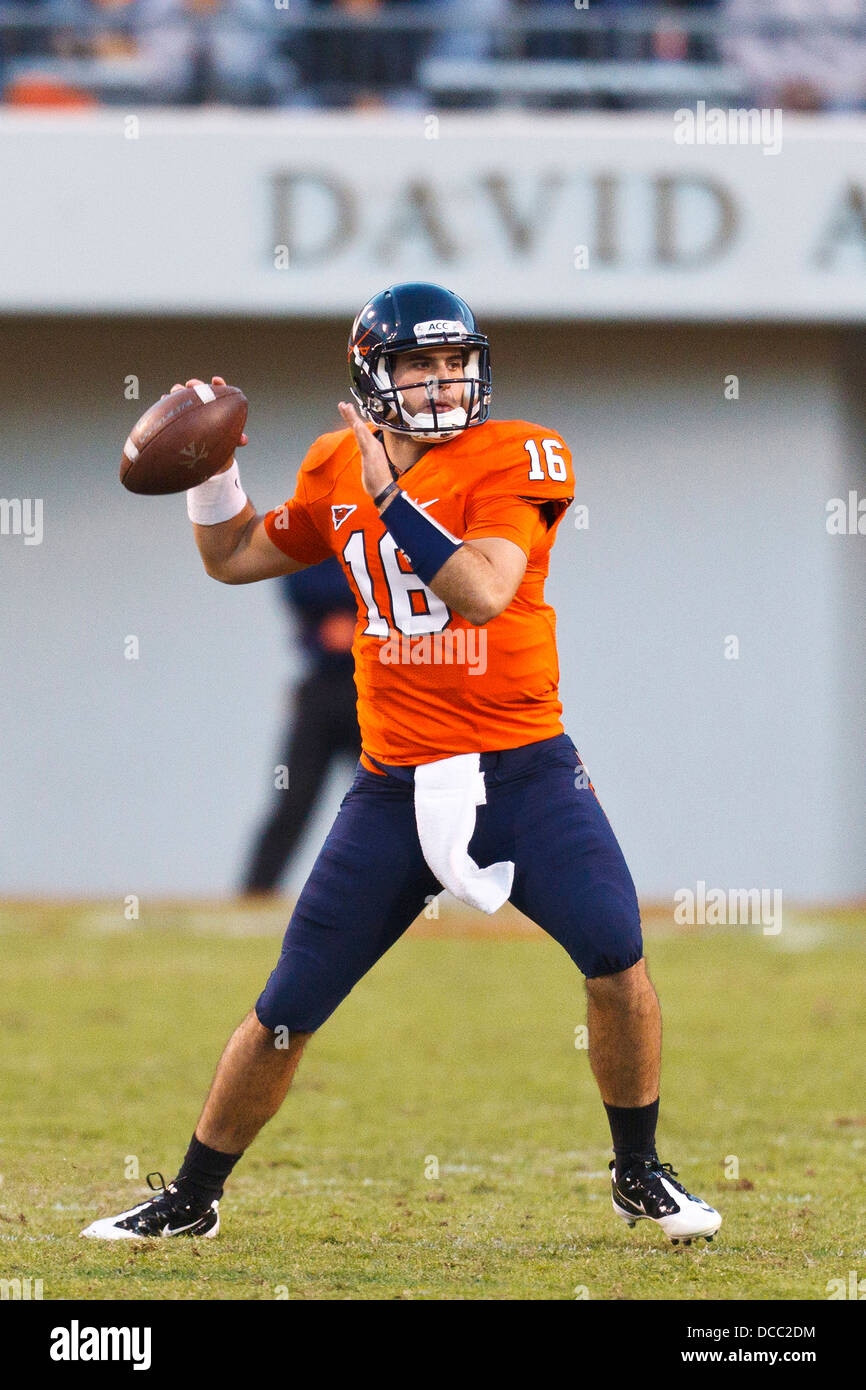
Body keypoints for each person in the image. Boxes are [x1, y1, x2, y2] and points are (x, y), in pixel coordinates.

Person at [82, 282, 722, 1247]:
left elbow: (482, 592)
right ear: (372, 378)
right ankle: (193, 1196)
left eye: (455, 362)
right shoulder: (334, 461)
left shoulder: (518, 453)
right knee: (288, 1006)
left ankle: (640, 1171)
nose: (442, 381)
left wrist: (390, 495)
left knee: (616, 955)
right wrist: (212, 472)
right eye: (419, 364)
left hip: (524, 772)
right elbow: (236, 555)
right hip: (393, 785)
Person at [240, 559, 360, 896]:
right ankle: (255, 895)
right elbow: (294, 577)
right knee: (293, 801)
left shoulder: (389, 532)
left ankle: (415, 898)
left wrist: (363, 622)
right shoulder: (313, 542)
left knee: (394, 801)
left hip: (380, 690)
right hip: (323, 689)